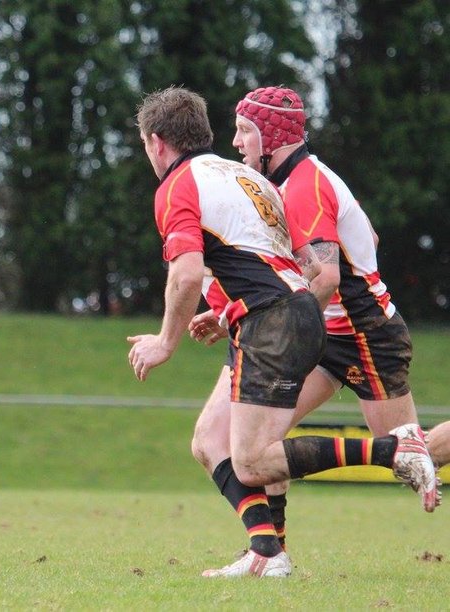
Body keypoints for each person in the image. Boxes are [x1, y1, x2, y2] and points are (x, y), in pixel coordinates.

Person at [126, 87, 437, 578]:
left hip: (334, 326)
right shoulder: (254, 180)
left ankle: (393, 450)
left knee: (255, 459)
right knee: (215, 440)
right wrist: (231, 311)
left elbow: (193, 274)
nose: (238, 140)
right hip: (298, 319)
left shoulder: (225, 183)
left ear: (156, 142)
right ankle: (268, 553)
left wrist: (167, 342)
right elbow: (303, 256)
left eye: (247, 130)